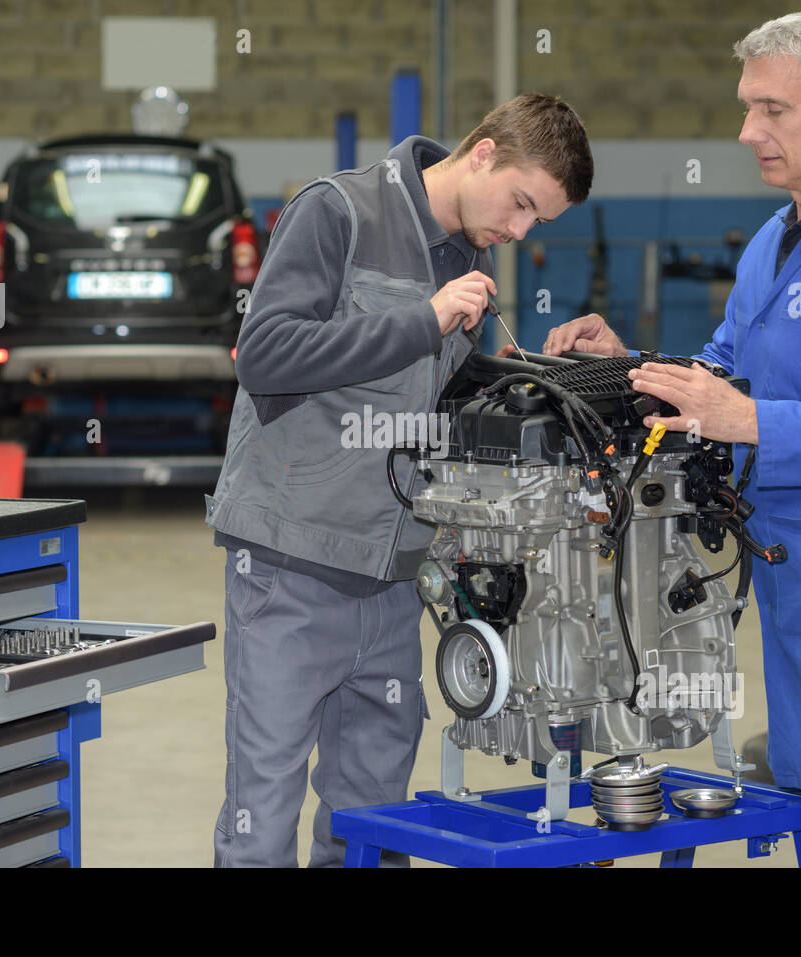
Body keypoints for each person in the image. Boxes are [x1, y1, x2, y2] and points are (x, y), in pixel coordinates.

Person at [537, 11, 801, 867]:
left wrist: (750, 421)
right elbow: (726, 370)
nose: (747, 132)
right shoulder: (776, 240)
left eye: (773, 110)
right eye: (746, 108)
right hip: (792, 583)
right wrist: (636, 368)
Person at [205, 94, 594, 866]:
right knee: (262, 819)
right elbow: (266, 356)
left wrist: (549, 376)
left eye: (537, 223)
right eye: (521, 204)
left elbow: (430, 396)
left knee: (374, 826)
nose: (519, 232)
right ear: (482, 152)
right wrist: (424, 318)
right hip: (289, 573)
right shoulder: (337, 212)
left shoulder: (465, 260)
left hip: (390, 582)